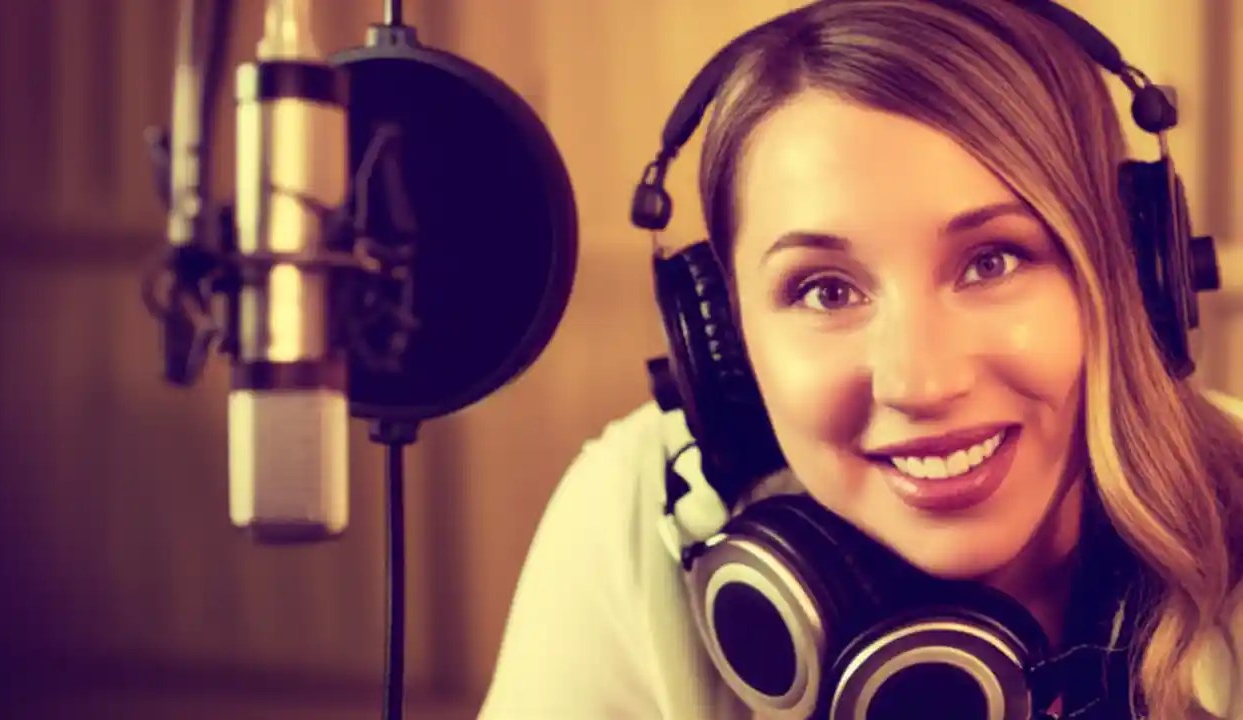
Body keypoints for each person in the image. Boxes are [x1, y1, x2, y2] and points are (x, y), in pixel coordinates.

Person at [478, 1, 1243, 718]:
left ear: (1128, 275)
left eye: (992, 262)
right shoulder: (642, 503)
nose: (921, 383)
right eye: (826, 291)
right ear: (726, 343)